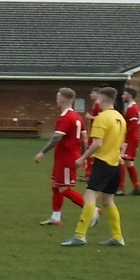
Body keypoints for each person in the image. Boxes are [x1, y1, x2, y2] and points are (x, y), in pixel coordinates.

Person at [62, 86, 127, 247]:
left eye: (98, 98)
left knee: (90, 197)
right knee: (108, 200)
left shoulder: (102, 118)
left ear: (103, 99)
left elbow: (97, 144)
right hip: (116, 164)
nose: (96, 101)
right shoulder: (120, 118)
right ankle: (117, 237)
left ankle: (80, 235)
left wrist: (83, 157)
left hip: (103, 163)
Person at [33, 88, 87, 227]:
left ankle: (92, 211)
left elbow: (57, 137)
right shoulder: (77, 117)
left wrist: (42, 152)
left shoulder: (66, 117)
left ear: (62, 100)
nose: (56, 100)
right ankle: (55, 217)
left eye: (57, 98)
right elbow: (83, 138)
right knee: (56, 186)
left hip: (66, 157)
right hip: (66, 157)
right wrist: (84, 156)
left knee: (64, 188)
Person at [119, 87, 140, 196]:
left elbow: (133, 125)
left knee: (121, 161)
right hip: (133, 138)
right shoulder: (133, 107)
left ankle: (121, 187)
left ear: (129, 95)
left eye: (124, 94)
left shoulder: (132, 109)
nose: (122, 96)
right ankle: (137, 187)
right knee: (129, 163)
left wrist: (123, 135)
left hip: (129, 139)